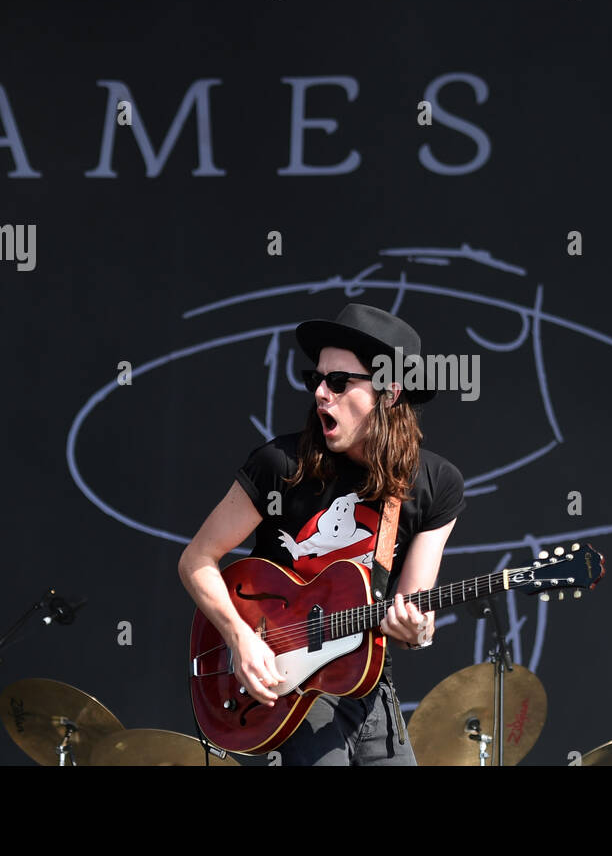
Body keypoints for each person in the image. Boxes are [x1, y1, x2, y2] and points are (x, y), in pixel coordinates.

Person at [178, 303, 465, 765]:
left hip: (369, 689)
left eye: (338, 382)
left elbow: (413, 609)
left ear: (389, 393)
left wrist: (418, 629)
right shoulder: (280, 464)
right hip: (292, 692)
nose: (320, 394)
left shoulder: (434, 484)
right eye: (317, 380)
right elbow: (196, 560)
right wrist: (241, 639)